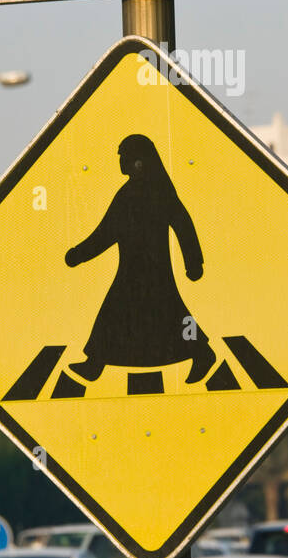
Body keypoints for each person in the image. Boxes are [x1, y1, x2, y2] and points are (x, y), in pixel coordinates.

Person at [66, 133, 215, 384]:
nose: (121, 162)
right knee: (116, 313)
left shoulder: (159, 191)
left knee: (169, 312)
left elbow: (183, 225)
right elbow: (107, 232)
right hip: (131, 269)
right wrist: (79, 254)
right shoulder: (127, 194)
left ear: (138, 161)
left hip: (154, 269)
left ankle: (202, 352)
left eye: (124, 157)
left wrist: (194, 263)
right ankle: (95, 363)